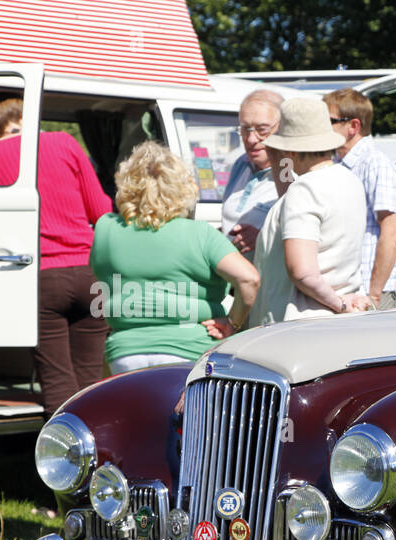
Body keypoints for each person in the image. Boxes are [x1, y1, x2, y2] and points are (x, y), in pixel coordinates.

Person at [0, 93, 112, 419]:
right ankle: (98, 448)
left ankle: (61, 448)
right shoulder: (64, 142)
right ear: (25, 114)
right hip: (89, 274)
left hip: (39, 280)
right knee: (91, 382)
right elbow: (101, 210)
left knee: (58, 384)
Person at [90, 142, 259, 372]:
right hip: (191, 351)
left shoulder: (106, 228)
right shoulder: (201, 234)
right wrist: (233, 323)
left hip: (124, 353)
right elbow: (249, 279)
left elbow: (101, 276)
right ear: (182, 187)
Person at [249, 97, 370, 326]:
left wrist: (340, 305)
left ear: (290, 150)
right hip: (342, 321)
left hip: (301, 324)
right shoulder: (350, 180)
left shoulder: (304, 189)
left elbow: (303, 272)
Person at [322, 87, 396, 310]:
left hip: (373, 291)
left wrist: (374, 295)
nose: (320, 126)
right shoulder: (339, 164)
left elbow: (392, 233)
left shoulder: (376, 164)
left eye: (328, 120)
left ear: (353, 126)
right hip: (351, 289)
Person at [220, 89, 284, 260]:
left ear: (282, 127)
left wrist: (262, 236)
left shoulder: (290, 171)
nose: (251, 139)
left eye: (262, 130)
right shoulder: (241, 163)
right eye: (245, 129)